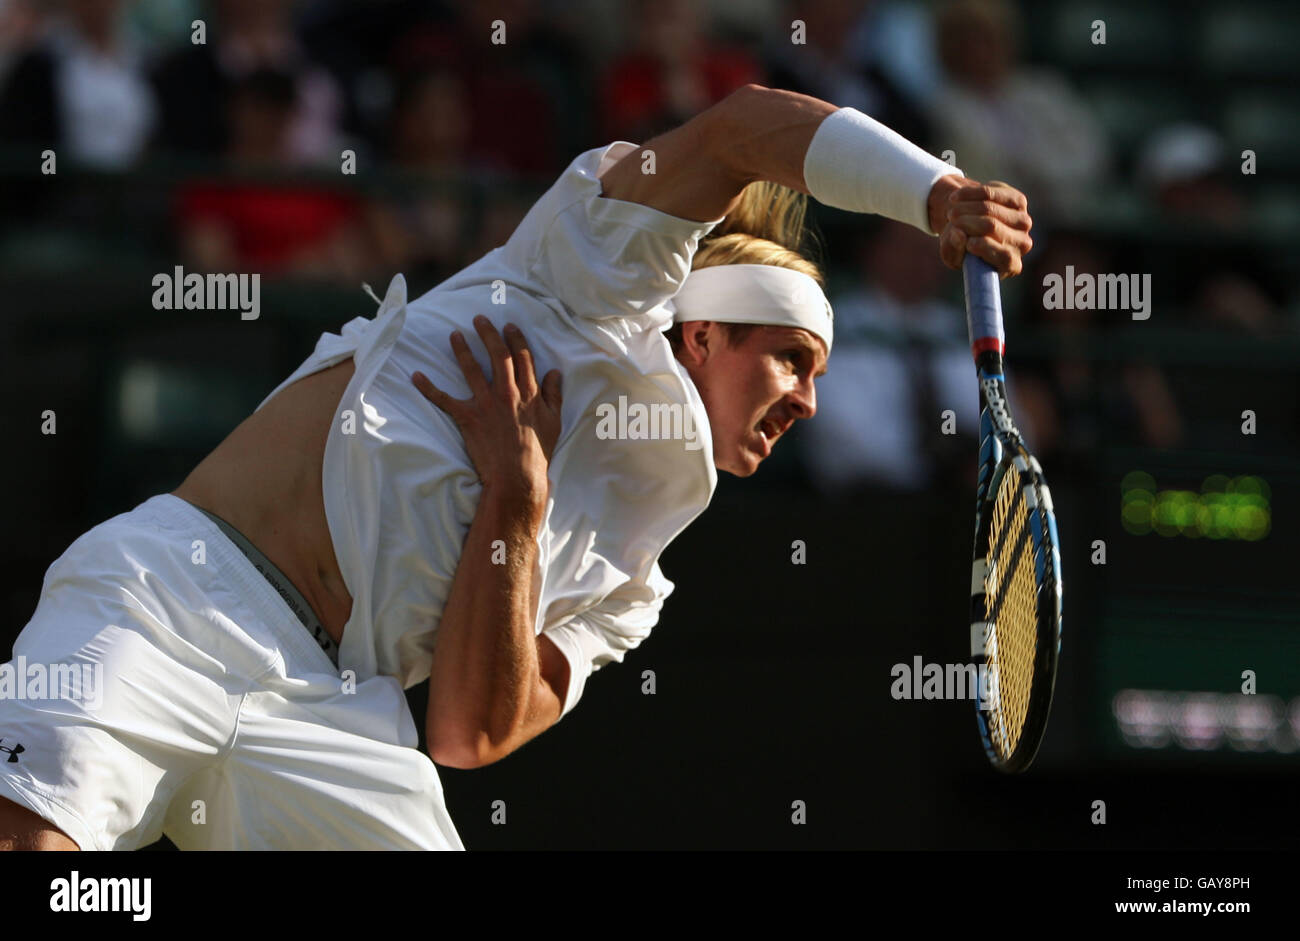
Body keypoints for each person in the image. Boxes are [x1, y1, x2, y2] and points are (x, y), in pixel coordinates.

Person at [0, 84, 1032, 850]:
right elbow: (741, 126)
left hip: (331, 703)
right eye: (793, 358)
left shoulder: (634, 580)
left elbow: (465, 728)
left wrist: (516, 503)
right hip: (173, 598)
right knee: (38, 838)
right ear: (708, 332)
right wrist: (930, 191)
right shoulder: (589, 274)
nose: (808, 398)